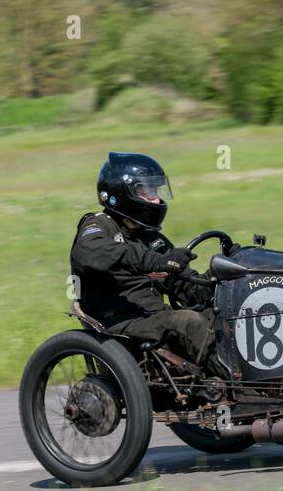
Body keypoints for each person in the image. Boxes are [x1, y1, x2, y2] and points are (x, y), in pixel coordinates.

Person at [70, 152, 214, 361]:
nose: (156, 199)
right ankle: (235, 386)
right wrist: (156, 261)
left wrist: (222, 276)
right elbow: (91, 253)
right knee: (190, 322)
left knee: (220, 318)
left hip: (154, 317)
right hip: (119, 320)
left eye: (156, 190)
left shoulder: (152, 238)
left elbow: (189, 290)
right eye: (146, 191)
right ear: (121, 193)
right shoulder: (97, 226)